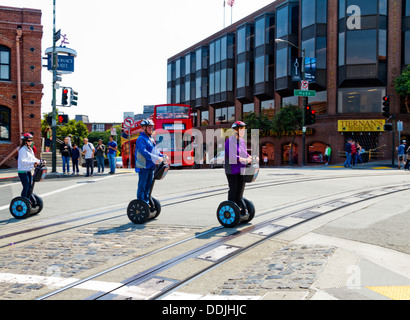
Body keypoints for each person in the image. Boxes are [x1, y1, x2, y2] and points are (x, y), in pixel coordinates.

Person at [135, 119, 164, 204]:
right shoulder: (141, 139)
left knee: (148, 186)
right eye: (149, 127)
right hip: (143, 166)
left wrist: (162, 156)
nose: (151, 129)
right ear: (143, 128)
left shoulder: (150, 139)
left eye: (152, 127)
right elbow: (144, 152)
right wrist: (156, 158)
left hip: (150, 166)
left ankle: (147, 202)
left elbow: (155, 151)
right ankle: (141, 203)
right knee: (142, 186)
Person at [225, 121, 252, 206]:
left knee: (240, 191)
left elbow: (244, 153)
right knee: (234, 190)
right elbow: (232, 156)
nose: (243, 131)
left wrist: (250, 157)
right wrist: (243, 159)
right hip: (232, 170)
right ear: (235, 131)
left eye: (244, 130)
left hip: (241, 169)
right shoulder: (229, 141)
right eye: (241, 129)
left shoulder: (242, 141)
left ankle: (239, 208)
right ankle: (230, 209)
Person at [17, 133, 42, 201]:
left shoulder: (30, 149)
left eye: (31, 140)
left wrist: (41, 161)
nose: (30, 142)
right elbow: (23, 161)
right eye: (29, 140)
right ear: (25, 141)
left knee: (30, 187)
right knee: (26, 187)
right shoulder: (22, 150)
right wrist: (33, 163)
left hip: (28, 171)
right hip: (22, 172)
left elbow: (33, 159)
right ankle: (23, 201)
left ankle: (28, 200)